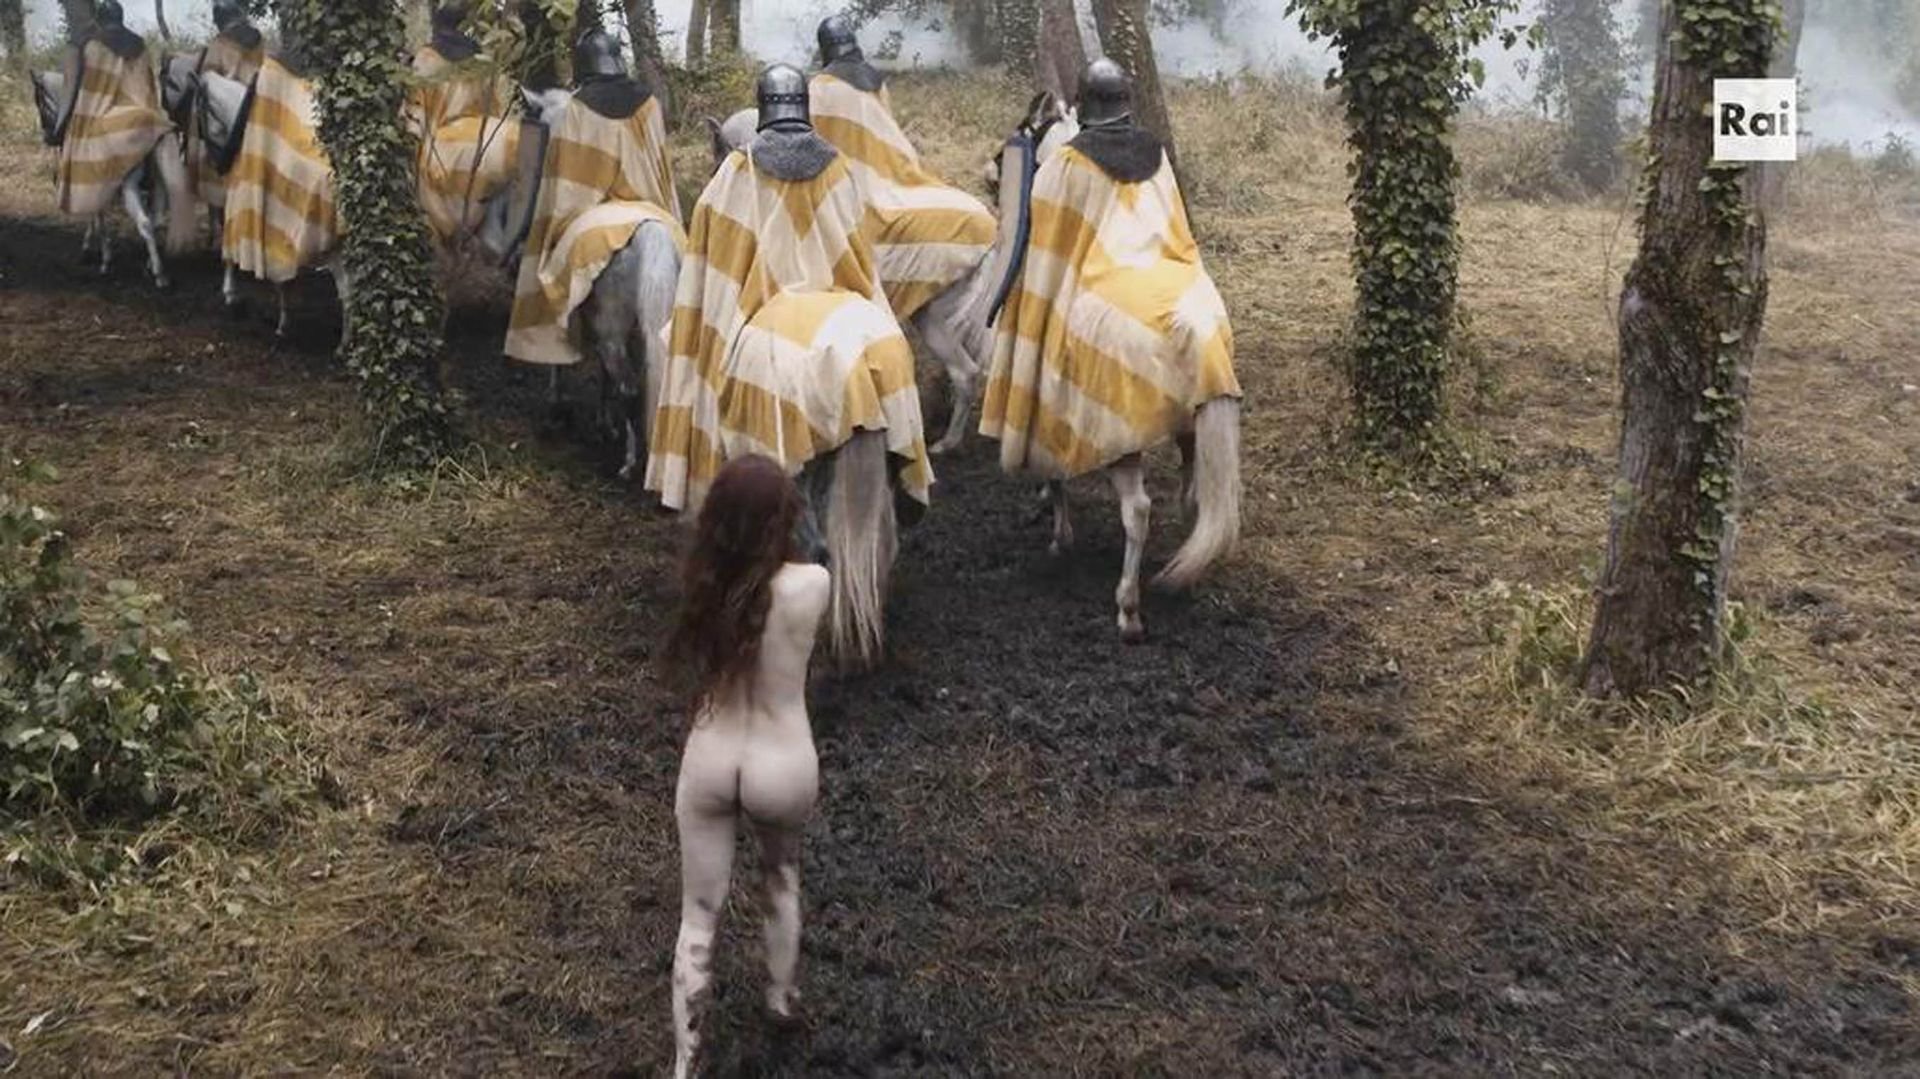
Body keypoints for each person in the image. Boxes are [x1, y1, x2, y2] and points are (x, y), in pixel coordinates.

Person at [645, 63, 931, 518]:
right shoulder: (837, 168)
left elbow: (713, 272)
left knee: (709, 376)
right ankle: (902, 477)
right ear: (805, 108)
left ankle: (711, 484)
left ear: (762, 108)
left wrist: (710, 338)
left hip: (763, 315)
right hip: (841, 302)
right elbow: (858, 261)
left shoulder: (737, 171)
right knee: (890, 344)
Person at [980, 57, 1239, 482]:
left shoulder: (1066, 162)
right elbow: (1176, 229)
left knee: (1057, 334)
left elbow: (1047, 246)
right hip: (1169, 271)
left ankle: (1059, 430)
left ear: (1082, 104)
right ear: (1125, 101)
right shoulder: (1155, 152)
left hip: (1103, 278)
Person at [661, 453, 831, 1079]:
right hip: (782, 762)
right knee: (781, 877)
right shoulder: (814, 585)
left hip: (712, 756)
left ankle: (686, 1064)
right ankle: (780, 999)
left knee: (698, 918)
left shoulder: (702, 585)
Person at [504, 29, 682, 367]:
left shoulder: (577, 106)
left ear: (582, 64)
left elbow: (567, 182)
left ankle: (554, 342)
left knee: (548, 265)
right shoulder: (650, 103)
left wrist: (551, 227)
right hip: (649, 208)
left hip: (594, 212)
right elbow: (660, 170)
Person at [805, 14, 997, 324]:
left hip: (850, 198)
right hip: (892, 181)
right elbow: (889, 144)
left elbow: (811, 151)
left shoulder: (819, 89)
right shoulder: (874, 83)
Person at [46, 1, 175, 227]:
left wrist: (64, 127)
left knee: (86, 149)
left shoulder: (93, 46)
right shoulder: (140, 44)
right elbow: (149, 87)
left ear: (100, 20)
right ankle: (159, 203)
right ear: (120, 18)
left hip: (107, 116)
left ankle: (95, 197)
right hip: (147, 114)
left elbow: (87, 93)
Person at [409, 1, 515, 244]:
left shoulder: (426, 57)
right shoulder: (481, 61)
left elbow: (415, 121)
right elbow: (494, 110)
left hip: (443, 150)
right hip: (487, 141)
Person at [184, 0, 264, 215]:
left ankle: (212, 192)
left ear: (220, 19)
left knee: (202, 130)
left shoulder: (219, 43)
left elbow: (206, 83)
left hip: (229, 116)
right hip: (260, 104)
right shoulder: (259, 40)